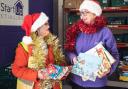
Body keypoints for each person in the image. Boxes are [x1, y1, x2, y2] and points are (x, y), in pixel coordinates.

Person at [64, 0, 119, 89]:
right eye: (81, 13)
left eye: (85, 12)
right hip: (77, 80)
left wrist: (109, 70)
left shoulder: (105, 32)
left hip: (97, 82)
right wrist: (73, 58)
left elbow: (114, 54)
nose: (82, 16)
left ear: (95, 13)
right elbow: (69, 50)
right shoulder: (76, 30)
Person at [11, 12, 70, 89]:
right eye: (45, 24)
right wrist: (37, 74)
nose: (48, 26)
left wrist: (63, 70)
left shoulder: (52, 44)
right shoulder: (25, 46)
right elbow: (16, 70)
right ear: (37, 28)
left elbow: (59, 63)